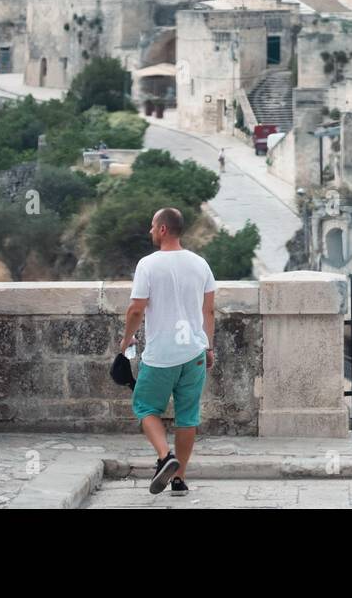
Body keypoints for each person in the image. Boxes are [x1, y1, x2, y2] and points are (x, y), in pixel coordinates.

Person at [120, 208, 217, 496]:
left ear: (163, 229)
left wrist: (126, 339)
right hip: (194, 353)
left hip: (161, 354)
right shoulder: (201, 264)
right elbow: (208, 310)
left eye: (152, 226)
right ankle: (179, 479)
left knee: (145, 408)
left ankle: (166, 456)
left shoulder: (148, 265)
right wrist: (208, 346)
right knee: (188, 415)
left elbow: (136, 308)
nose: (150, 231)